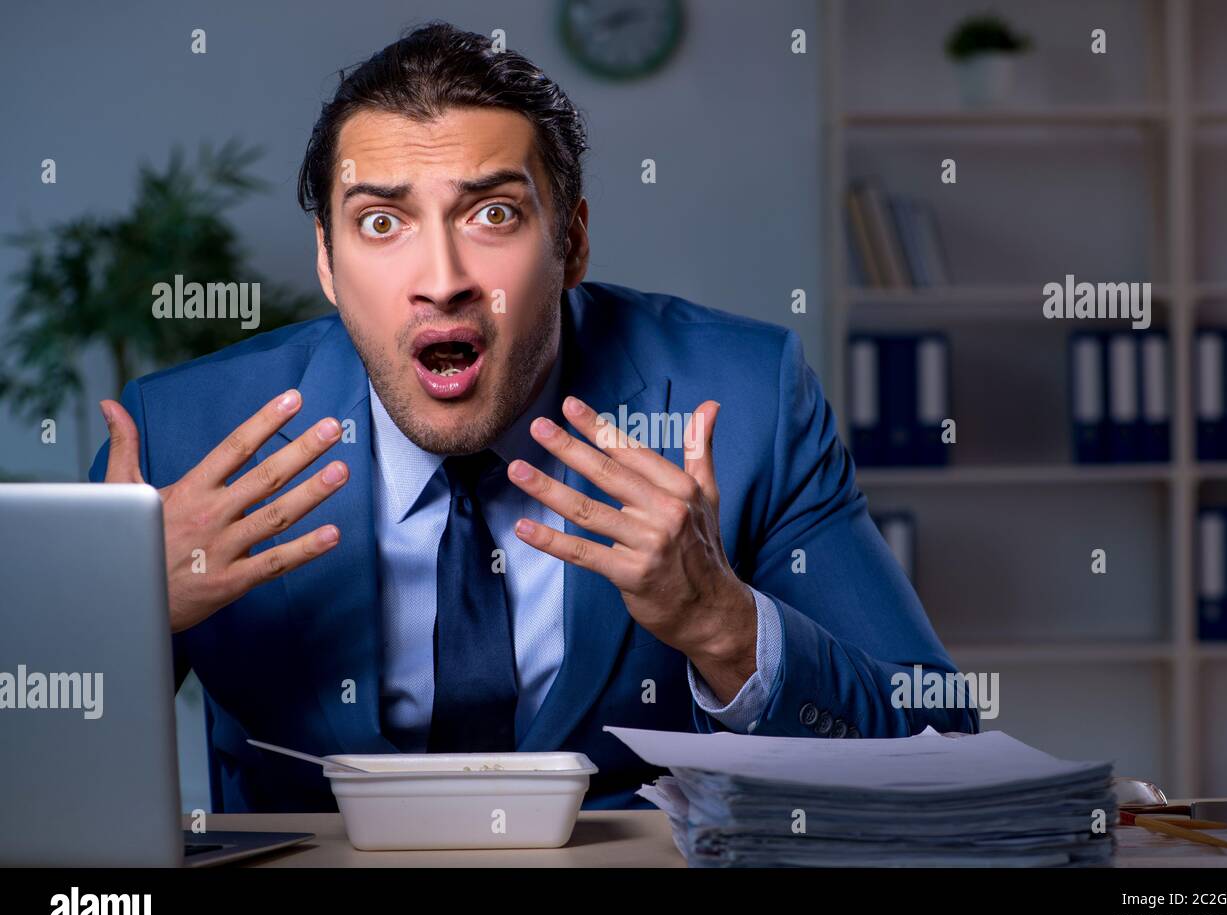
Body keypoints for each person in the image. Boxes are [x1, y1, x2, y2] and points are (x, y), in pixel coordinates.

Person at [90, 21, 977, 812]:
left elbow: (945, 747)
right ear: (326, 262)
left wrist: (725, 625)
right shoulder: (175, 437)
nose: (441, 277)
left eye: (493, 213)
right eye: (381, 223)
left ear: (573, 242)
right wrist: (115, 615)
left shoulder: (745, 401)